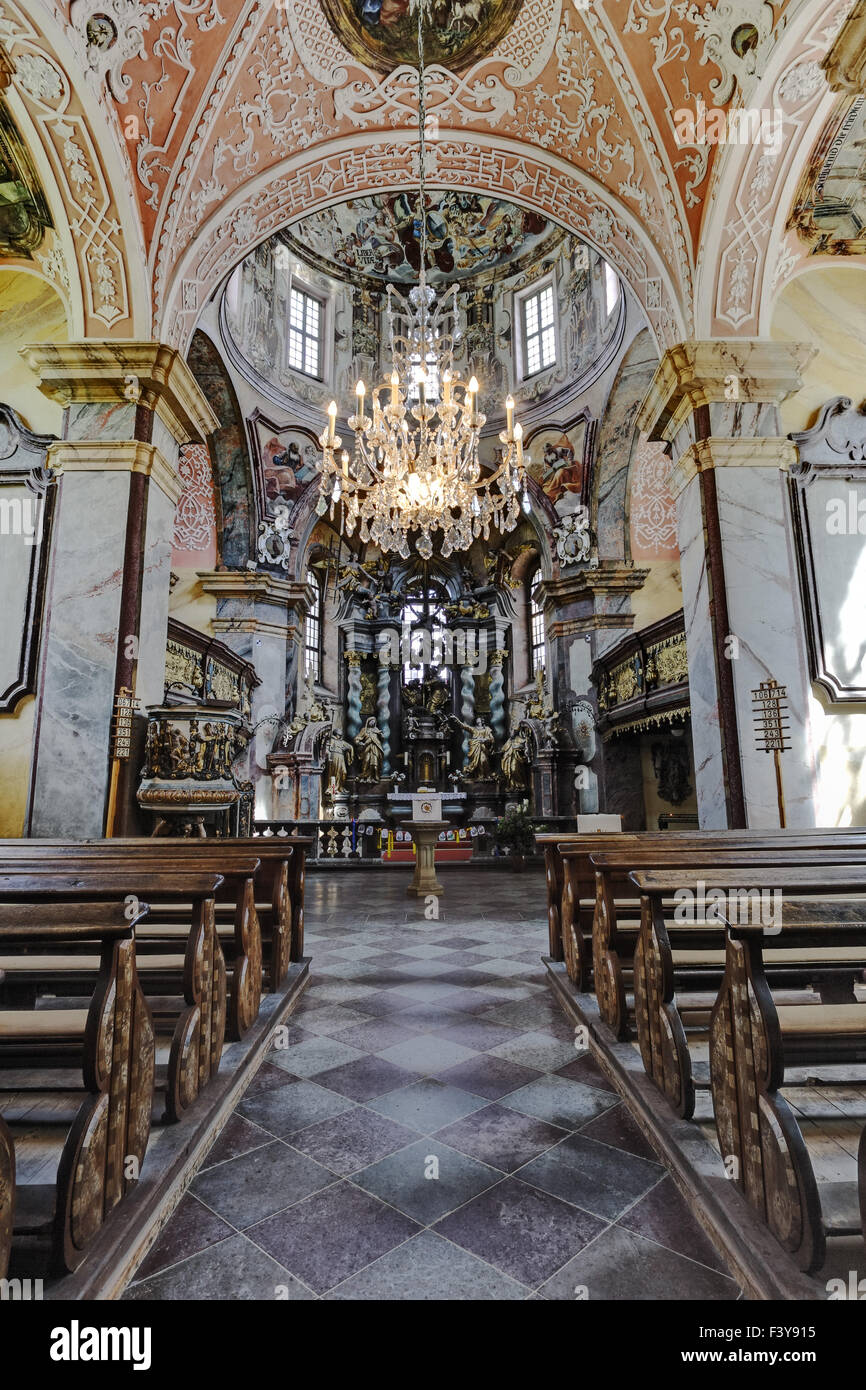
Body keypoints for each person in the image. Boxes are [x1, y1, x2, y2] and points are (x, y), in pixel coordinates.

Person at [451, 715, 495, 780]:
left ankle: (485, 776)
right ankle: (480, 777)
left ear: (482, 720)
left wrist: (484, 740)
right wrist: (456, 719)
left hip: (482, 748)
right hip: (475, 747)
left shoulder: (487, 729)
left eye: (478, 719)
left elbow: (492, 738)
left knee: (483, 761)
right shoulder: (474, 729)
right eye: (477, 719)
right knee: (476, 763)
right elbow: (464, 726)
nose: (477, 720)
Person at [354, 717, 384, 782]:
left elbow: (382, 738)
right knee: (366, 762)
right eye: (371, 721)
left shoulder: (376, 730)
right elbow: (357, 738)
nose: (372, 722)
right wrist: (359, 743)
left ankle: (374, 776)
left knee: (375, 765)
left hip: (375, 748)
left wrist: (381, 735)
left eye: (374, 721)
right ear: (368, 722)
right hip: (367, 748)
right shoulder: (364, 730)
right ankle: (364, 776)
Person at [327, 729, 354, 794]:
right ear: (335, 734)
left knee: (344, 772)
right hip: (334, 757)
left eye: (341, 735)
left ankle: (340, 787)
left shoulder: (342, 742)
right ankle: (334, 788)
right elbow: (327, 748)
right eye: (339, 735)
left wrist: (346, 749)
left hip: (341, 757)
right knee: (335, 772)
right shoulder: (332, 740)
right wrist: (328, 757)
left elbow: (350, 747)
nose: (340, 736)